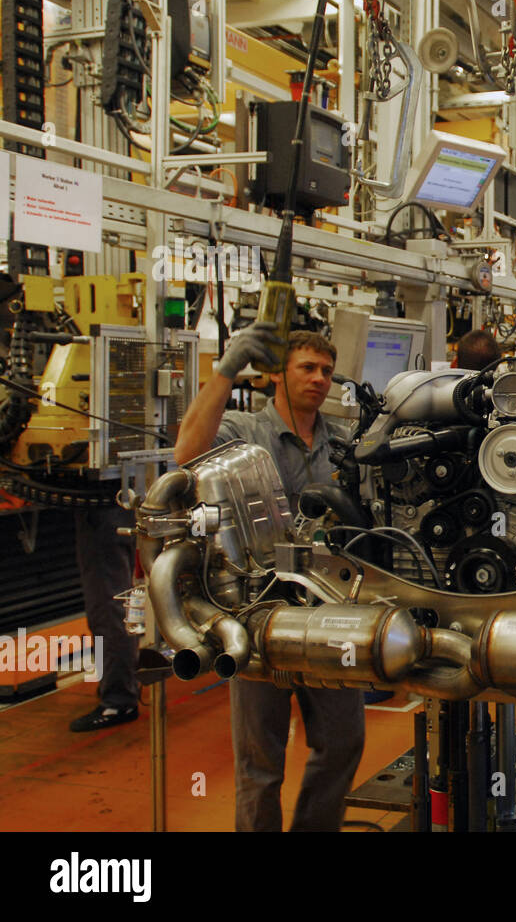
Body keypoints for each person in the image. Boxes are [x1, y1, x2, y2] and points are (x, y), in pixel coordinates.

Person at [174, 324, 365, 831]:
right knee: (260, 762)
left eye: (326, 370)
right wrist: (225, 370)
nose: (319, 379)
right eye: (307, 368)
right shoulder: (243, 431)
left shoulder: (343, 442)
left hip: (329, 614)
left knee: (344, 740)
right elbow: (187, 453)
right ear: (276, 376)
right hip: (257, 613)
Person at [69, 506, 139, 731]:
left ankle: (118, 700)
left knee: (107, 608)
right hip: (117, 507)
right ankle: (120, 688)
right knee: (114, 604)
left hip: (103, 510)